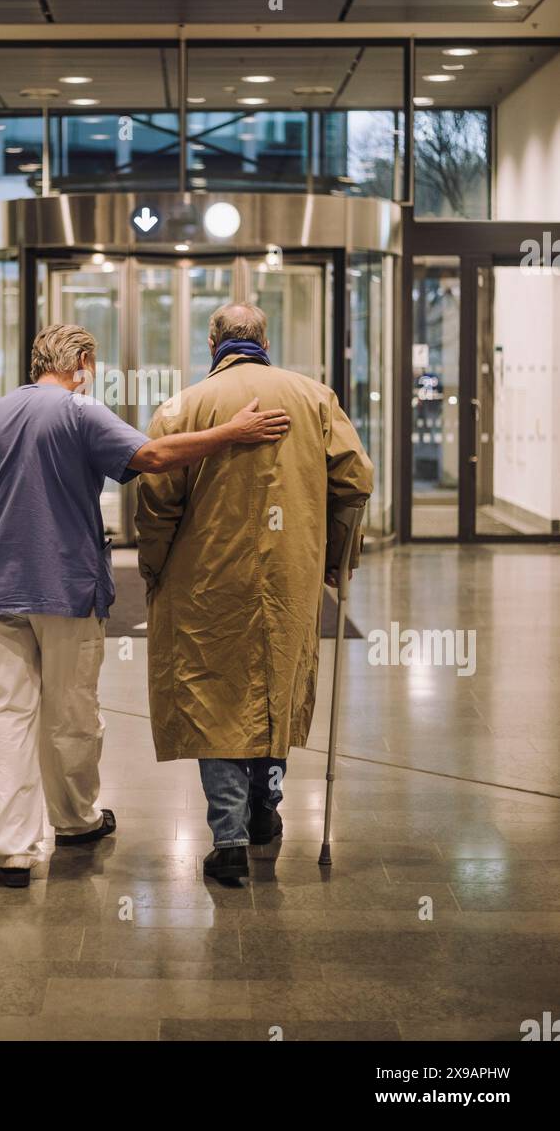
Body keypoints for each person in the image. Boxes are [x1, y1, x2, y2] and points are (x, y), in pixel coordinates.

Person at [0, 322, 291, 887]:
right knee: (71, 717)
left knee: (7, 719)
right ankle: (76, 821)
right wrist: (233, 431)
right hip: (67, 590)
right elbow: (154, 456)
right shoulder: (78, 412)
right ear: (80, 360)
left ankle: (11, 852)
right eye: (93, 363)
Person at [135, 302, 374, 884]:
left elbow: (157, 497)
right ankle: (267, 811)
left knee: (214, 696)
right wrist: (337, 557)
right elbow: (355, 480)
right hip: (288, 572)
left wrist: (153, 566)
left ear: (212, 341)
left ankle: (230, 838)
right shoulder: (315, 398)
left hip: (205, 576)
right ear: (265, 338)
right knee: (276, 682)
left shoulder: (184, 406)